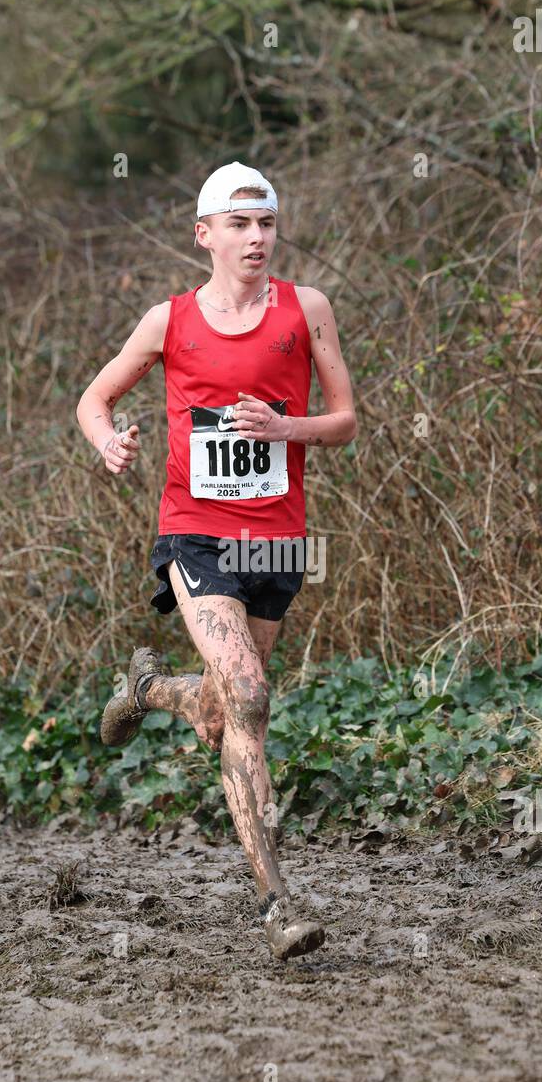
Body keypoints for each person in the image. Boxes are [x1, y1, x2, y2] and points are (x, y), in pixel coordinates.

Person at [76, 161, 357, 960]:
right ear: (205, 235)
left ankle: (146, 689)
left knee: (220, 710)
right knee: (249, 694)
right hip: (195, 534)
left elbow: (344, 420)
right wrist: (111, 442)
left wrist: (285, 429)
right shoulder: (168, 323)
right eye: (239, 224)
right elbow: (94, 399)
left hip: (276, 540)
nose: (257, 237)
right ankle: (276, 905)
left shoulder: (307, 310)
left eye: (266, 222)